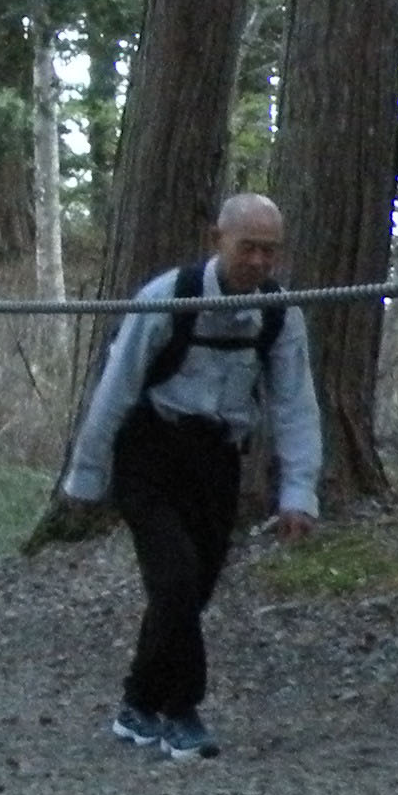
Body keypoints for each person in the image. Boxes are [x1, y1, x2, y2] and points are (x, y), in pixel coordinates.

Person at [61, 193, 322, 762]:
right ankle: (182, 711)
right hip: (148, 452)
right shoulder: (166, 298)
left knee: (191, 592)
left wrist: (298, 493)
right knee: (175, 580)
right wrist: (86, 479)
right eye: (248, 247)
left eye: (270, 251)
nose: (259, 261)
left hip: (217, 460)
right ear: (217, 241)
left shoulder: (280, 314)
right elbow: (114, 390)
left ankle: (137, 704)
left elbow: (295, 405)